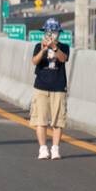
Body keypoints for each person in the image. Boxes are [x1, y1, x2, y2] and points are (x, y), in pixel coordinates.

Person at [30, 18, 70, 159]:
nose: (52, 34)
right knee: (40, 120)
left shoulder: (64, 47)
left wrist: (54, 47)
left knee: (58, 121)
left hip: (58, 87)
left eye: (54, 32)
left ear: (59, 33)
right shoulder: (38, 46)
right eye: (49, 32)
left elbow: (63, 59)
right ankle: (42, 149)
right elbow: (34, 61)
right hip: (41, 86)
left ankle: (55, 149)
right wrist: (43, 49)